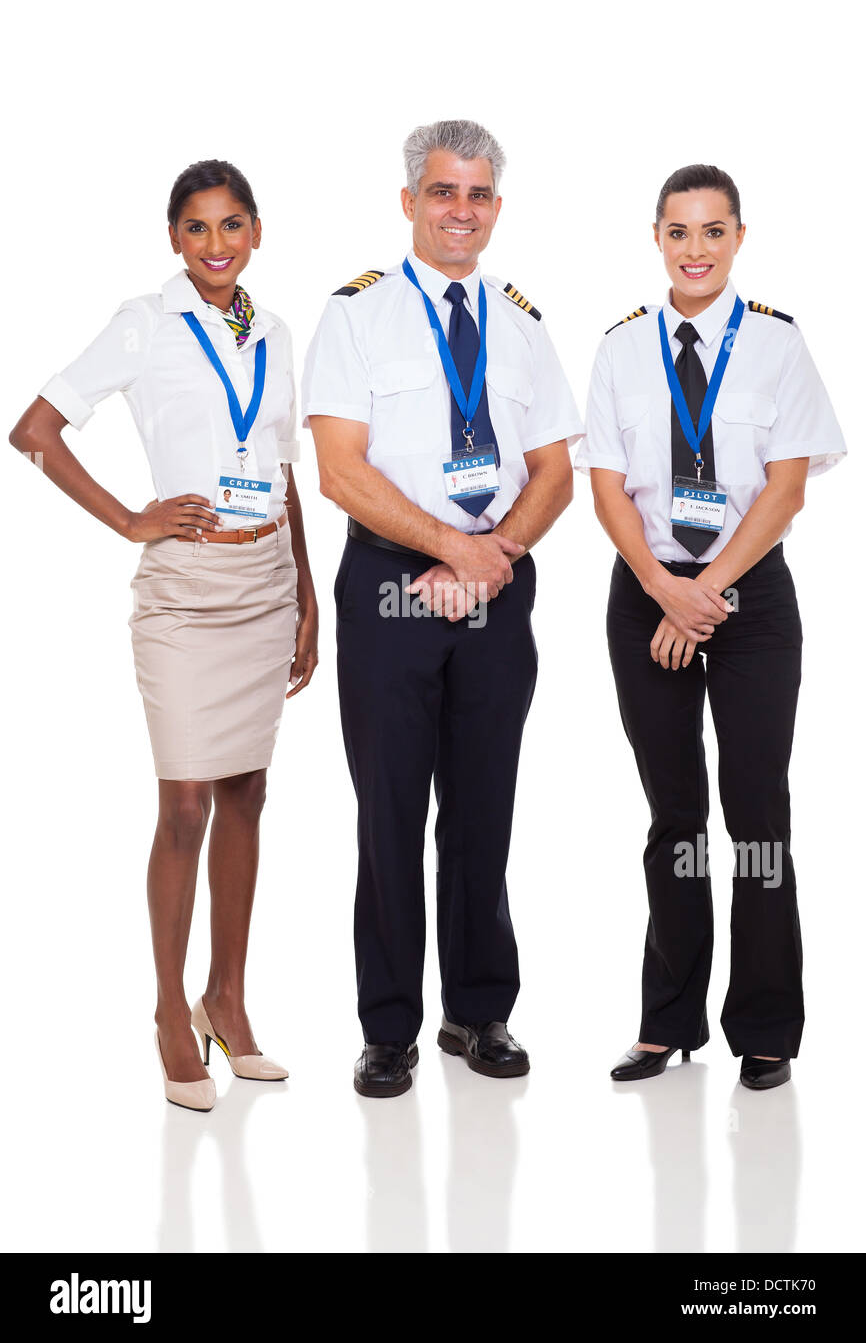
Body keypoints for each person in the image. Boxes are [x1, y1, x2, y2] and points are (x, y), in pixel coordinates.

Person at [9, 160, 319, 1111]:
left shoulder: (273, 331)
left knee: (249, 791)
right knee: (184, 803)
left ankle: (228, 998)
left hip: (266, 580)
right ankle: (167, 1011)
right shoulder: (145, 322)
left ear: (257, 231)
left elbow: (280, 465)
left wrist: (310, 594)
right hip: (186, 595)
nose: (216, 245)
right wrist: (129, 519)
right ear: (175, 240)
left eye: (232, 226)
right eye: (197, 229)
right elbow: (35, 428)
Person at [303, 119, 582, 1097]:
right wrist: (449, 548)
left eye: (475, 195)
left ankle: (479, 1010)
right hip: (390, 588)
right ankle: (389, 1027)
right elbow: (339, 470)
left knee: (482, 805)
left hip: (496, 585)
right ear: (408, 202)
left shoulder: (519, 319)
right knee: (387, 809)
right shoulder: (357, 314)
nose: (458, 210)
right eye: (440, 192)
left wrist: (490, 553)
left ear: (494, 208)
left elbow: (554, 467)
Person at [577, 163, 845, 1090]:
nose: (696, 249)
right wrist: (663, 588)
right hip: (647, 594)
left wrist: (708, 596)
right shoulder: (619, 349)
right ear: (656, 238)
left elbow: (786, 489)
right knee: (675, 816)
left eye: (713, 231)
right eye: (679, 232)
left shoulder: (776, 344)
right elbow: (607, 488)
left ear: (739, 238)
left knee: (757, 814)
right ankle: (668, 1020)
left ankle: (766, 1026)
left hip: (751, 602)